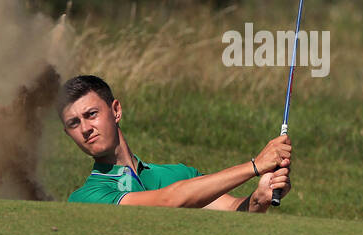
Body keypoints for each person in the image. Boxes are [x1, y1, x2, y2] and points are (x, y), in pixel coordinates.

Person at [61, 74, 292, 211]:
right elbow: (168, 200)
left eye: (91, 114)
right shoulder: (86, 197)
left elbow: (232, 210)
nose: (85, 129)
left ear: (116, 111)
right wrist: (254, 166)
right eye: (74, 123)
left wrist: (258, 199)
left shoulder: (178, 175)